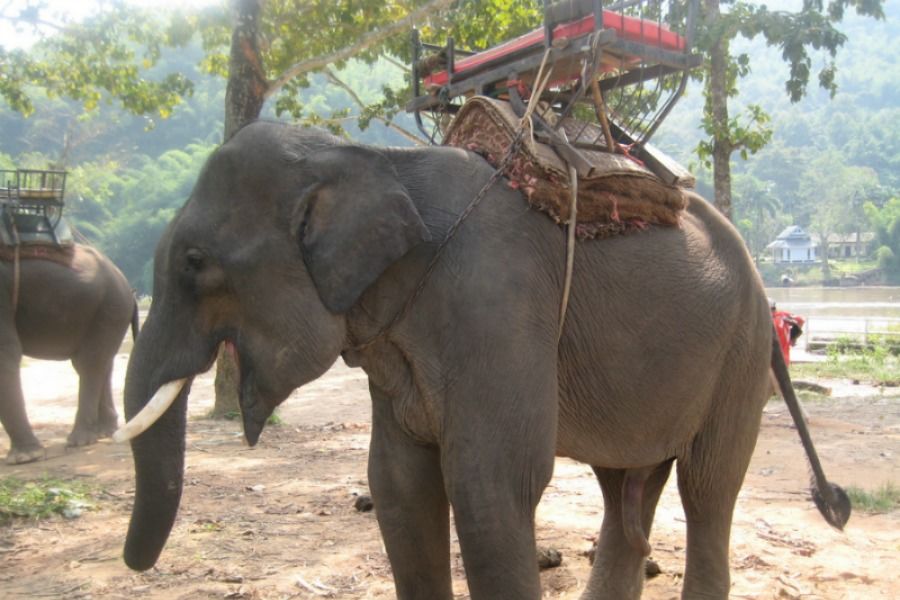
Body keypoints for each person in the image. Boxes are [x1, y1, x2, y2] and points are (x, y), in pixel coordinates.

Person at [770, 299, 805, 366]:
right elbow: (801, 320)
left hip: (772, 358)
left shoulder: (767, 320)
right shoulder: (784, 315)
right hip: (785, 357)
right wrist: (793, 337)